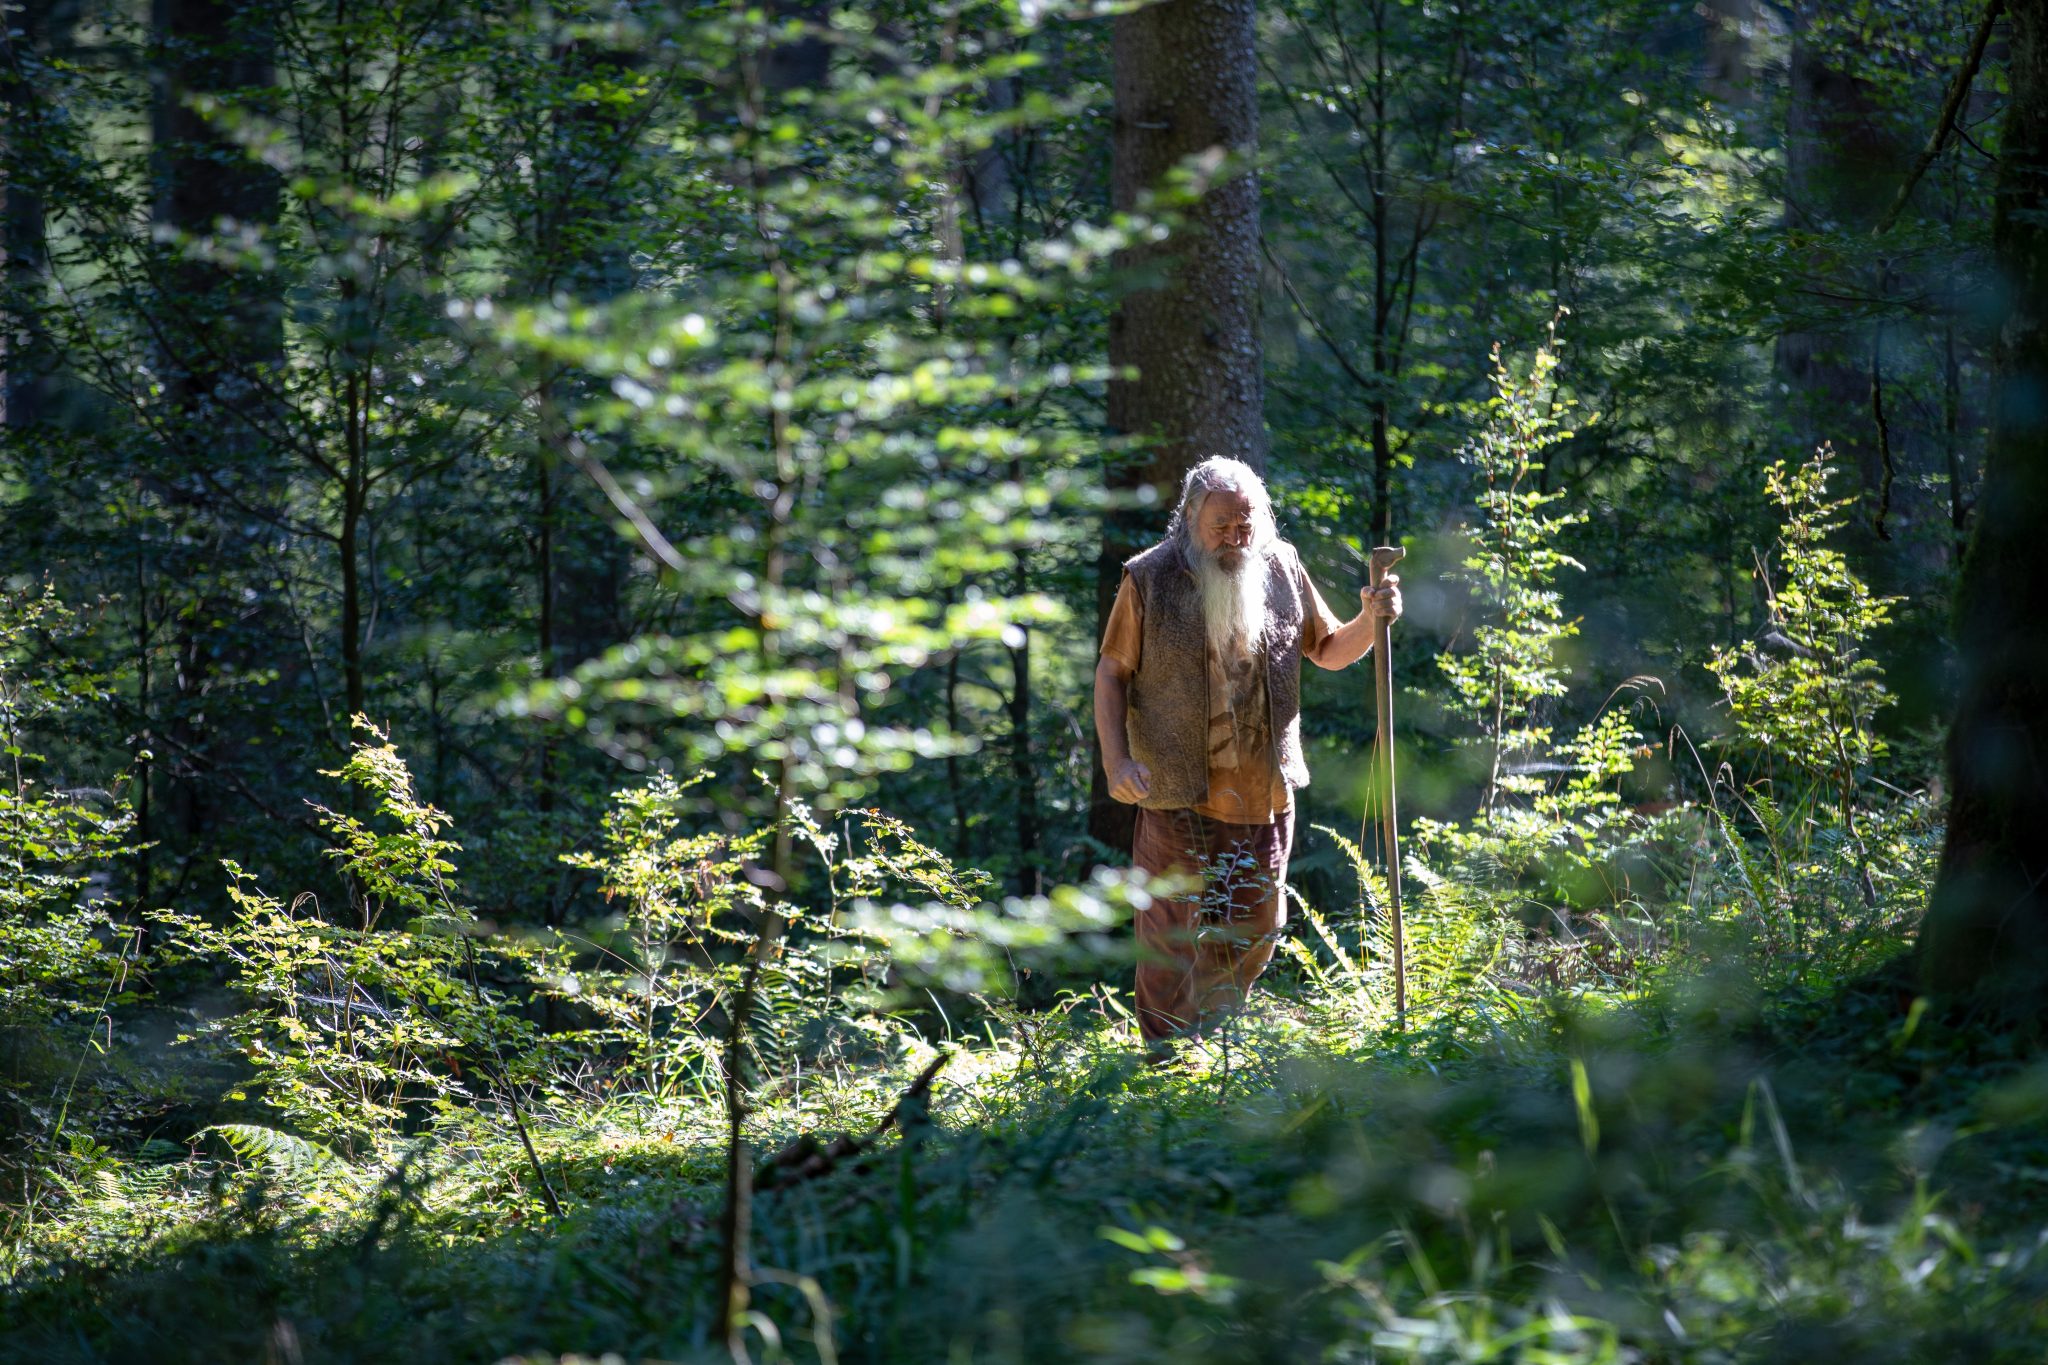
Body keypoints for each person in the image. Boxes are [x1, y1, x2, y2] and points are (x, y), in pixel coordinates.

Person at [1094, 456, 1401, 1056]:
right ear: (1189, 520)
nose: (1236, 538)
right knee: (1168, 940)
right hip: (1178, 793)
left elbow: (1332, 649)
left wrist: (1372, 617)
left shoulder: (1282, 565)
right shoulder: (1150, 577)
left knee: (1259, 932)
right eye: (1222, 526)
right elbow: (1111, 672)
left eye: (1246, 523)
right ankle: (1165, 1064)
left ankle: (1206, 1043)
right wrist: (1116, 762)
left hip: (1263, 794)